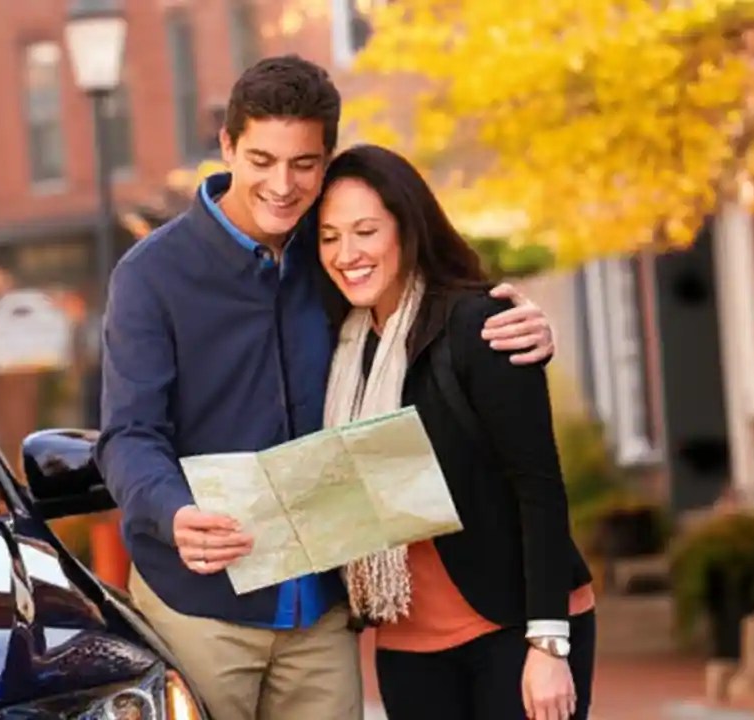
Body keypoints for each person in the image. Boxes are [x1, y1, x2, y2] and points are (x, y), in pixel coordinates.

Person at [96, 55, 557, 720]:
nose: (281, 185)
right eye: (261, 159)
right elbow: (130, 434)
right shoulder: (150, 277)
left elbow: (431, 312)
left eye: (303, 164)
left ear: (327, 156)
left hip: (323, 608)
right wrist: (171, 513)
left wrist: (517, 322)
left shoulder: (340, 249)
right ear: (226, 147)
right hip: (202, 605)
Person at [315, 143, 596, 720]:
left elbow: (539, 489)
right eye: (329, 237)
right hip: (408, 644)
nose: (348, 253)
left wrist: (548, 643)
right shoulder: (338, 349)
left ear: (407, 229)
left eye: (366, 231)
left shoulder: (480, 325)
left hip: (513, 624)